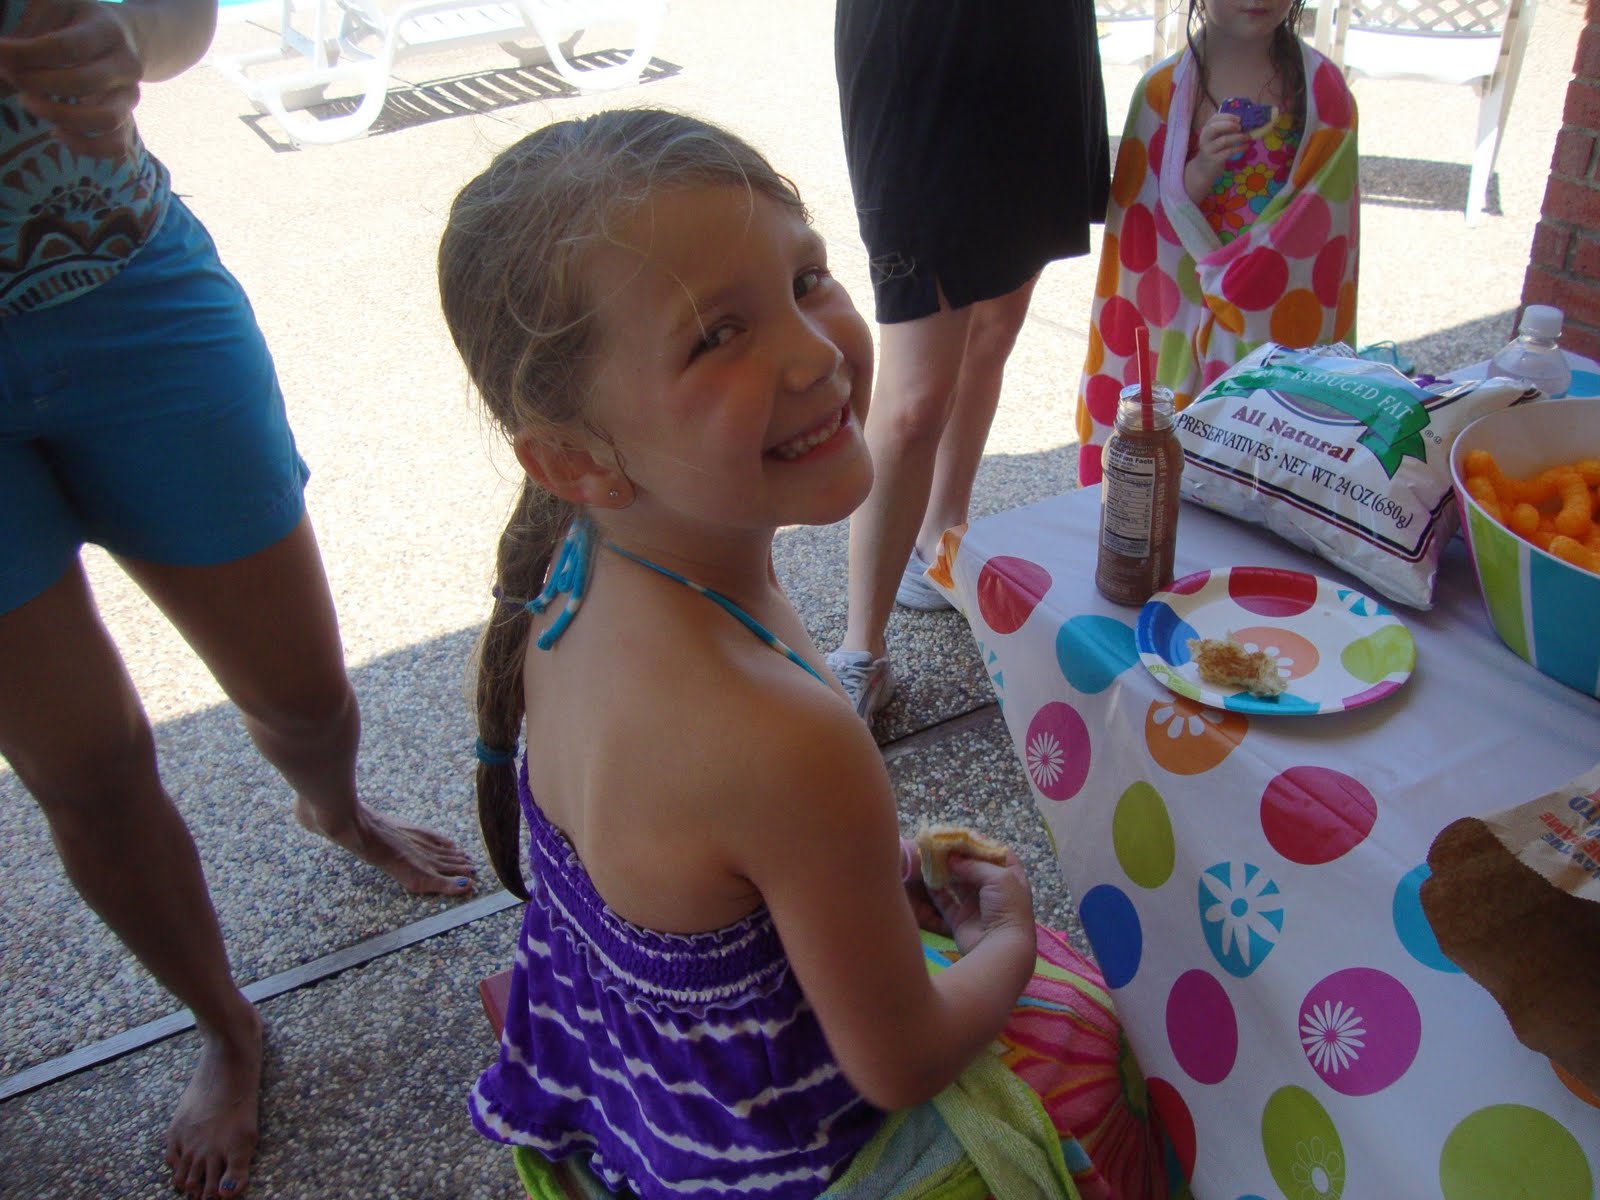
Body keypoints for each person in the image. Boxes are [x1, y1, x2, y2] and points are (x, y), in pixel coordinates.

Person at [441, 109, 1174, 1200]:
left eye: (807, 278)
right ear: (573, 459)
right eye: (716, 336)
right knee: (1109, 1045)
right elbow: (902, 1062)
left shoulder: (565, 573)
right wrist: (1012, 942)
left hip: (646, 1099)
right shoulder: (780, 736)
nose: (815, 352)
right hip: (782, 1159)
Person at [0, 1, 475, 1196]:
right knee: (82, 771)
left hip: (125, 285)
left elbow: (180, 20)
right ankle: (225, 1023)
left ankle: (336, 808)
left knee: (304, 696)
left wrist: (125, 39)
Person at [824, 0, 1112, 719]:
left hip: (1036, 34)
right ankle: (861, 648)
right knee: (915, 399)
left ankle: (940, 538)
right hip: (924, 39)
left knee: (996, 327)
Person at [1074, 0, 1360, 485]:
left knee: (1265, 458)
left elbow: (1324, 223)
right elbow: (1144, 225)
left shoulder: (1323, 94)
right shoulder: (1161, 92)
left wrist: (1247, 281)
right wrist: (1202, 168)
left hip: (1275, 304)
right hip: (1181, 301)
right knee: (1160, 459)